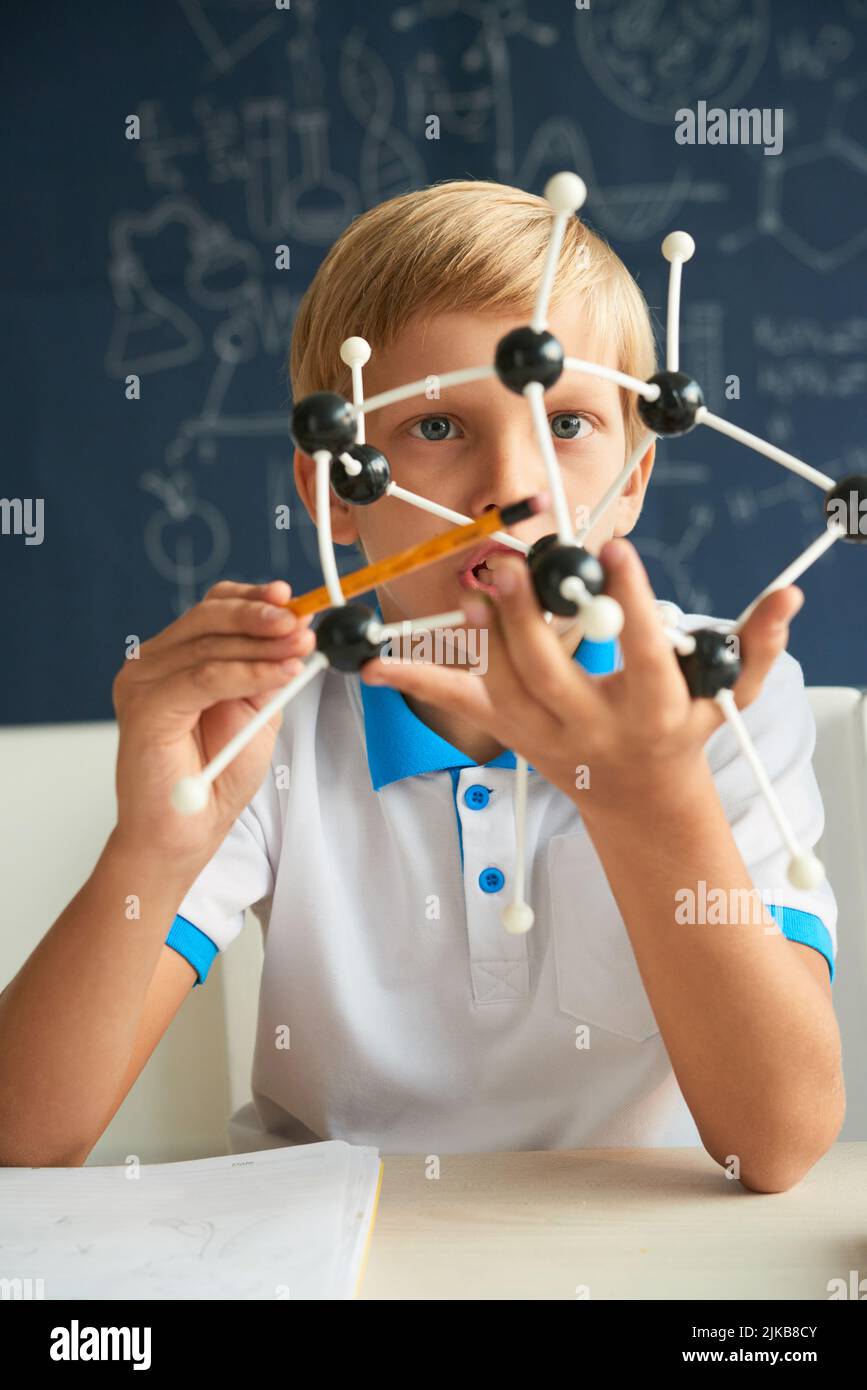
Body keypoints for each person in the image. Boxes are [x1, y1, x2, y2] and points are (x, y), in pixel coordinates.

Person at [0, 181, 844, 1189]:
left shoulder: (722, 694)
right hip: (327, 1260)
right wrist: (152, 845)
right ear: (332, 489)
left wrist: (649, 801)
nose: (509, 485)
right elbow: (23, 1144)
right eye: (438, 428)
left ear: (634, 484)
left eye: (566, 422)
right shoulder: (268, 725)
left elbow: (780, 1142)